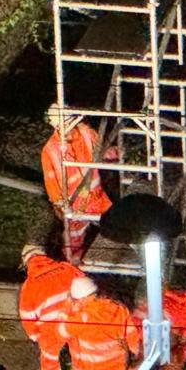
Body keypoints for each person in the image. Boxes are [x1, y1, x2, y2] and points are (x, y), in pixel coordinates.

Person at [41, 106, 112, 263]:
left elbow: (105, 153)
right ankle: (72, 270)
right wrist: (58, 205)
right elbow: (51, 181)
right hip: (74, 204)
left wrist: (120, 153)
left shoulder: (86, 133)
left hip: (95, 197)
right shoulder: (51, 150)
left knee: (118, 225)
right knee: (73, 241)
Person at [17, 243, 84, 370]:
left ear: (26, 264)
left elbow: (27, 316)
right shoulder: (67, 268)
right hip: (74, 319)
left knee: (49, 361)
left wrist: (36, 336)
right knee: (80, 352)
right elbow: (85, 286)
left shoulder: (29, 286)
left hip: (50, 329)